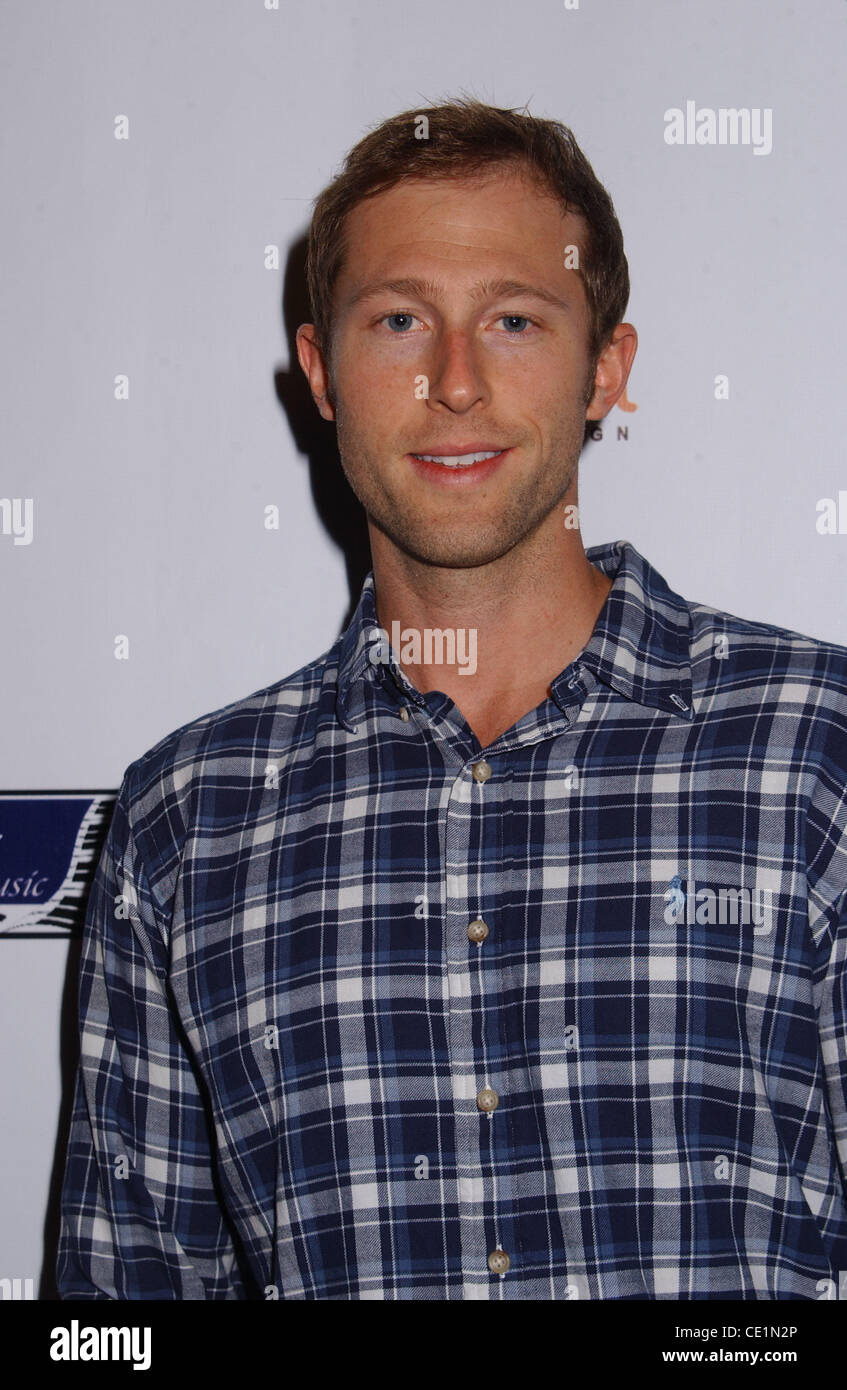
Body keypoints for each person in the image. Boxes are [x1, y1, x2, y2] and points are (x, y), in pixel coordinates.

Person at [57, 97, 847, 1300]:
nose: (456, 382)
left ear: (606, 368)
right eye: (398, 320)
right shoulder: (187, 818)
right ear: (323, 373)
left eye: (515, 320)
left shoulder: (814, 754)